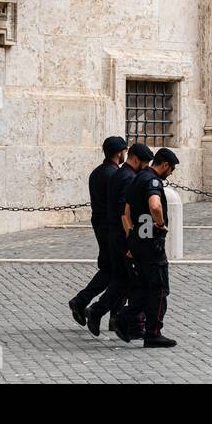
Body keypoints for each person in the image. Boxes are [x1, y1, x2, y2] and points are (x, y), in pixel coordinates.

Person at [85, 142, 153, 338]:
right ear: (135, 159)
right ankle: (118, 319)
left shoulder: (117, 173)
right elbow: (125, 212)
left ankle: (105, 315)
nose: (147, 167)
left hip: (113, 234)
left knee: (121, 280)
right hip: (122, 236)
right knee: (132, 281)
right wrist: (131, 242)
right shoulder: (128, 178)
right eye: (145, 162)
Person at [117, 147, 179, 348]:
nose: (170, 174)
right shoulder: (152, 181)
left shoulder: (137, 177)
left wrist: (131, 235)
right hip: (151, 242)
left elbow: (125, 212)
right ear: (166, 165)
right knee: (159, 289)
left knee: (144, 287)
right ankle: (152, 332)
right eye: (171, 169)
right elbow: (155, 206)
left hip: (138, 240)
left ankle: (125, 317)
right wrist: (160, 224)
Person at [68, 136, 128, 326]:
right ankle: (87, 304)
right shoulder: (115, 175)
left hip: (100, 224)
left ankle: (108, 312)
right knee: (119, 269)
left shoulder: (96, 173)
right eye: (124, 151)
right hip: (111, 226)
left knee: (110, 268)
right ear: (119, 152)